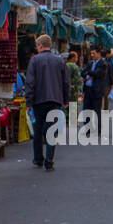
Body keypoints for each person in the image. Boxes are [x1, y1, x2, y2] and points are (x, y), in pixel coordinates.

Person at [24, 34, 69, 171]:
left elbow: (30, 83)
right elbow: (66, 82)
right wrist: (65, 100)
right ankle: (49, 160)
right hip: (55, 100)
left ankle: (38, 158)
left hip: (38, 101)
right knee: (51, 130)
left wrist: (29, 101)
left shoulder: (34, 60)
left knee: (37, 131)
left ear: (40, 46)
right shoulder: (60, 60)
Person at [83, 49, 108, 115]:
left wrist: (88, 73)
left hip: (97, 91)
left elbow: (97, 73)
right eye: (91, 53)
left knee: (97, 112)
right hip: (88, 90)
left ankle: (98, 125)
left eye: (93, 53)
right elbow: (83, 72)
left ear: (99, 54)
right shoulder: (90, 63)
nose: (92, 55)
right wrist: (89, 73)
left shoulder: (103, 63)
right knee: (86, 111)